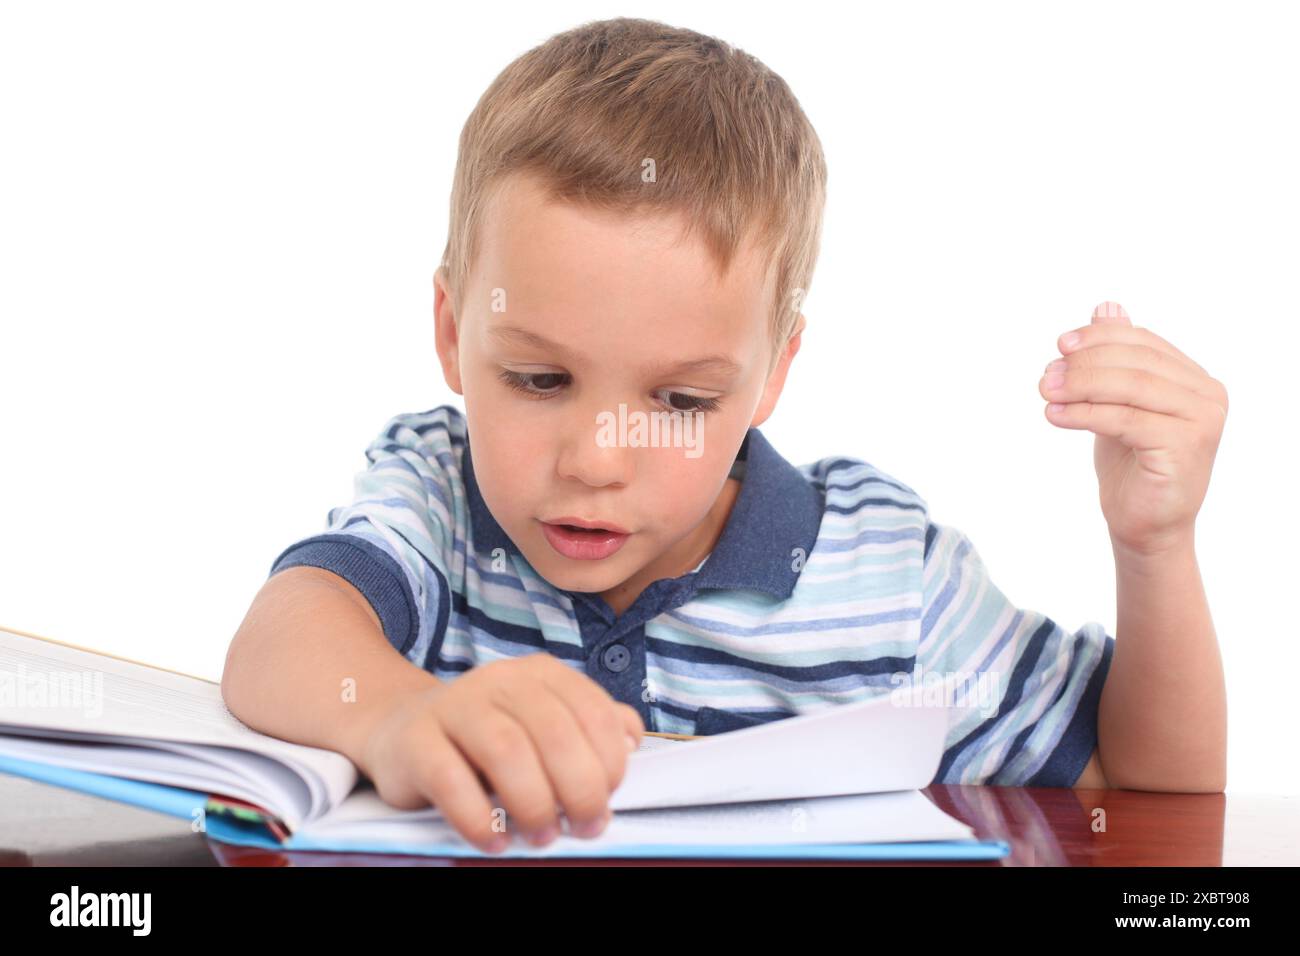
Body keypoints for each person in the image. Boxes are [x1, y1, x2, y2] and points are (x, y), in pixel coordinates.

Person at [221, 17, 1228, 856]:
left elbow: (1142, 791)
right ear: (452, 331)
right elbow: (283, 637)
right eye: (537, 377)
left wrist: (1155, 548)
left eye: (682, 400)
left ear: (773, 371)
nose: (595, 459)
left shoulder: (886, 579)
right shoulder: (437, 492)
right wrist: (396, 712)